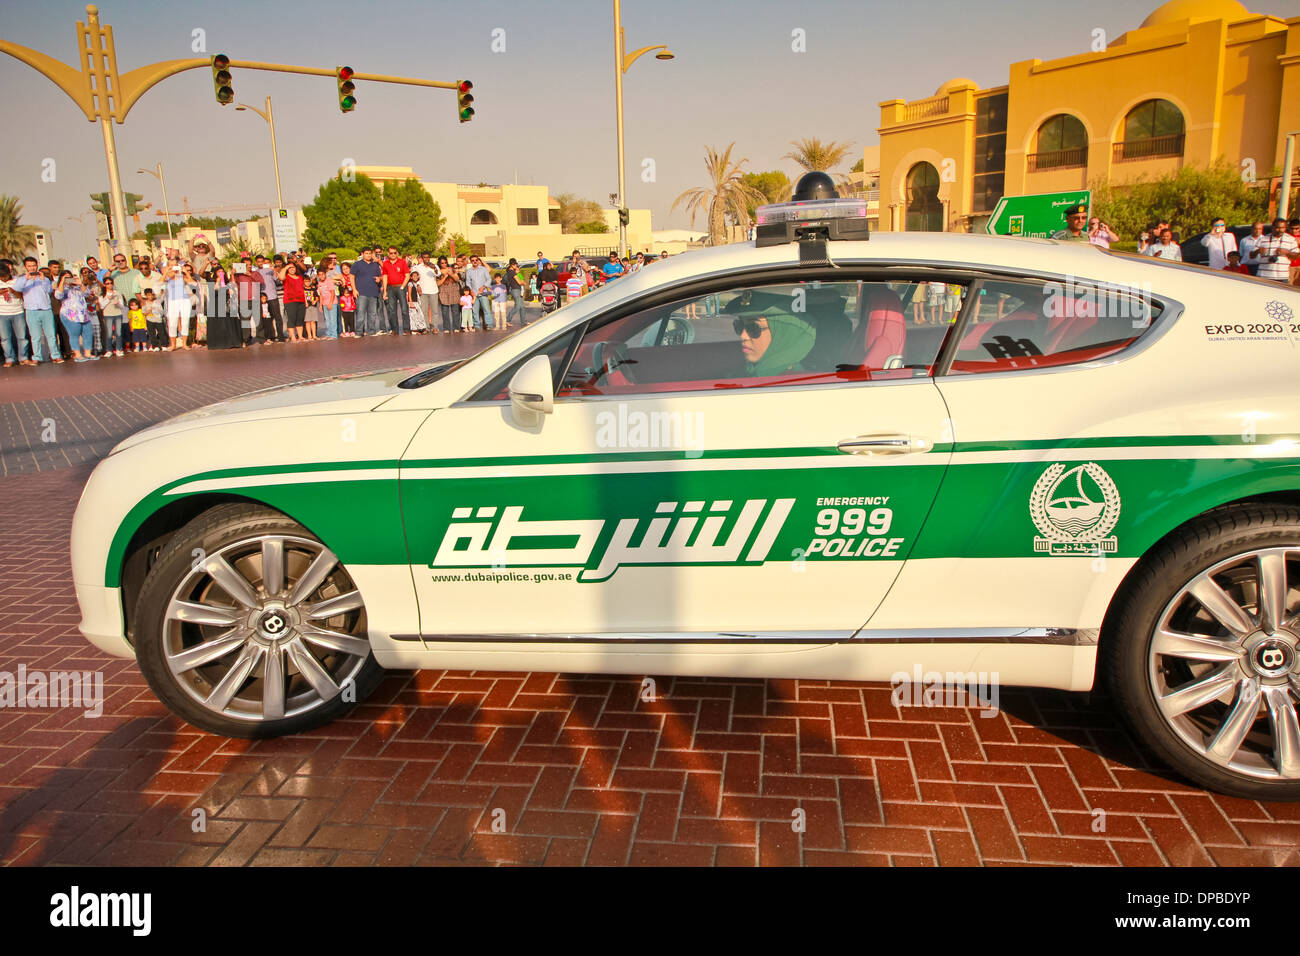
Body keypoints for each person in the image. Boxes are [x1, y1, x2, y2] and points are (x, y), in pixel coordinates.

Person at [735, 304, 815, 377]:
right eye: (739, 325)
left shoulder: (793, 384)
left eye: (753, 328)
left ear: (783, 336)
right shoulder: (747, 372)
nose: (743, 336)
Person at [13, 256, 61, 364]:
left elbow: (49, 291)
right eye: (29, 266)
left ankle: (55, 355)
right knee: (35, 336)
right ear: (26, 267)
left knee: (51, 335)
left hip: (46, 309)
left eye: (34, 265)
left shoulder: (45, 279)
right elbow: (17, 289)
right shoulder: (22, 279)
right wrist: (27, 279)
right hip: (31, 310)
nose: (32, 268)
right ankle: (37, 357)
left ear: (37, 265)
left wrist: (43, 280)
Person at [55, 269, 97, 361]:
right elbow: (58, 295)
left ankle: (88, 353)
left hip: (83, 314)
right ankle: (77, 354)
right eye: (66, 278)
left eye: (70, 277)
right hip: (70, 315)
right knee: (74, 334)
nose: (69, 279)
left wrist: (80, 283)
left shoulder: (77, 287)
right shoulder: (62, 288)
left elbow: (87, 293)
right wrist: (62, 282)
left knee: (88, 333)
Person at [0, 260, 32, 366]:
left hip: (18, 312)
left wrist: (13, 291)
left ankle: (23, 357)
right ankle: (9, 359)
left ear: (9, 273)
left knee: (22, 337)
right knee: (5, 338)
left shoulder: (17, 281)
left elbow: (22, 296)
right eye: (1, 277)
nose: (3, 279)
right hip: (2, 314)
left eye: (5, 276)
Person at [1251, 217, 1298, 283]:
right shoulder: (1263, 239)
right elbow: (1251, 256)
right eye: (1278, 228)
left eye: (1283, 228)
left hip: (1282, 277)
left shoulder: (1291, 239)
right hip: (1263, 276)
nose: (1280, 230)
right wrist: (1258, 251)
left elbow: (1296, 256)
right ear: (1272, 227)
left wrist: (1287, 252)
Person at [351, 247, 383, 336]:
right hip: (361, 292)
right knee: (360, 314)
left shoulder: (375, 265)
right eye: (366, 253)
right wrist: (354, 289)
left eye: (370, 253)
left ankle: (371, 331)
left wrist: (379, 279)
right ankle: (359, 332)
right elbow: (352, 277)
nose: (368, 255)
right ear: (362, 254)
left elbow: (381, 276)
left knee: (372, 314)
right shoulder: (357, 264)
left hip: (373, 292)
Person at [380, 245, 410, 335]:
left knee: (404, 309)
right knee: (392, 310)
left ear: (397, 253)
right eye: (391, 253)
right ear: (388, 254)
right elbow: (385, 277)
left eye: (395, 253)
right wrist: (385, 291)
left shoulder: (402, 262)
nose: (393, 254)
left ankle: (406, 329)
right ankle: (395, 329)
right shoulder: (386, 263)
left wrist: (402, 287)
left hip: (400, 286)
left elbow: (407, 276)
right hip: (390, 288)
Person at [162, 258, 191, 350]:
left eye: (175, 265)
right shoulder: (169, 276)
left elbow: (191, 282)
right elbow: (161, 281)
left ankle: (184, 344)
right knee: (172, 322)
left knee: (185, 321)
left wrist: (186, 272)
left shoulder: (181, 275)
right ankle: (173, 344)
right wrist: (166, 272)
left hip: (184, 300)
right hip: (173, 301)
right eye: (171, 265)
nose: (174, 267)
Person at [412, 252, 440, 334]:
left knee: (435, 311)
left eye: (428, 257)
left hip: (433, 291)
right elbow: (415, 278)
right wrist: (418, 286)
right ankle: (426, 327)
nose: (427, 259)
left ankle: (435, 327)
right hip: (423, 291)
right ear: (422, 258)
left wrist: (434, 268)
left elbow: (438, 274)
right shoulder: (418, 267)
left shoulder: (434, 266)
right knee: (424, 311)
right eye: (425, 257)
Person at [99, 276, 125, 356]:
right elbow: (101, 306)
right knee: (109, 333)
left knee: (118, 333)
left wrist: (117, 303)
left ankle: (118, 349)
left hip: (117, 314)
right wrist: (108, 298)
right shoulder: (102, 294)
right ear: (104, 284)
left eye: (111, 283)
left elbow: (122, 306)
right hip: (108, 315)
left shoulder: (117, 293)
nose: (109, 285)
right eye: (107, 283)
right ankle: (109, 350)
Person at [465, 255, 492, 330]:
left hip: (483, 292)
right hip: (474, 294)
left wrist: (484, 287)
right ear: (471, 262)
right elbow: (468, 282)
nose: (475, 261)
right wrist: (471, 291)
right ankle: (476, 325)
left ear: (478, 260)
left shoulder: (483, 269)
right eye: (473, 260)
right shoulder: (469, 271)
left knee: (486, 309)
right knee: (475, 311)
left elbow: (489, 279)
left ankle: (489, 324)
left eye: (476, 260)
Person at [282, 260, 306, 342]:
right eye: (290, 268)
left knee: (300, 318)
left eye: (293, 267)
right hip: (290, 300)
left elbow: (302, 289)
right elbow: (281, 277)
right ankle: (292, 336)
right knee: (292, 318)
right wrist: (286, 267)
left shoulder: (299, 277)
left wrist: (305, 301)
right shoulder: (286, 277)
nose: (292, 269)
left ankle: (300, 336)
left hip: (301, 300)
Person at [436, 255, 460, 333]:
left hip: (453, 290)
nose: (444, 264)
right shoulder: (438, 271)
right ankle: (446, 328)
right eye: (442, 263)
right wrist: (445, 277)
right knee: (445, 311)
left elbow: (457, 279)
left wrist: (451, 274)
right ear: (439, 264)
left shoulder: (451, 269)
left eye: (445, 262)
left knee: (455, 311)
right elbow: (438, 283)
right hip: (443, 291)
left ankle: (456, 327)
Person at [505, 259, 527, 327]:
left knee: (522, 306)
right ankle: (507, 320)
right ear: (512, 265)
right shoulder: (512, 272)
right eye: (515, 265)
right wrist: (523, 282)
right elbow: (519, 282)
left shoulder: (510, 272)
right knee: (517, 306)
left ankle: (523, 322)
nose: (516, 266)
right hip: (515, 290)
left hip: (518, 290)